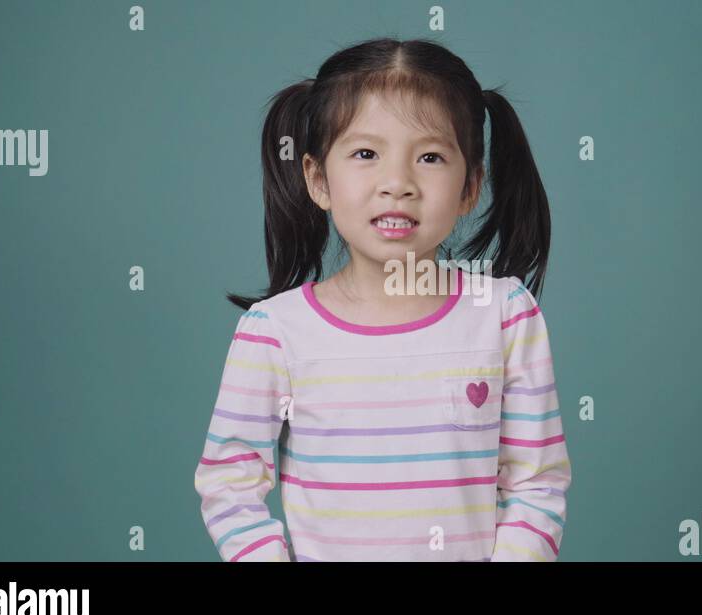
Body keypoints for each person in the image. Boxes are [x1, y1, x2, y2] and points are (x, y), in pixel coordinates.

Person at [193, 37, 571, 561]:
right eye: (366, 154)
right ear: (318, 178)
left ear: (470, 187)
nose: (398, 183)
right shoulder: (275, 332)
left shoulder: (506, 316)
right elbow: (229, 488)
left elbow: (537, 486)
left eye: (431, 156)